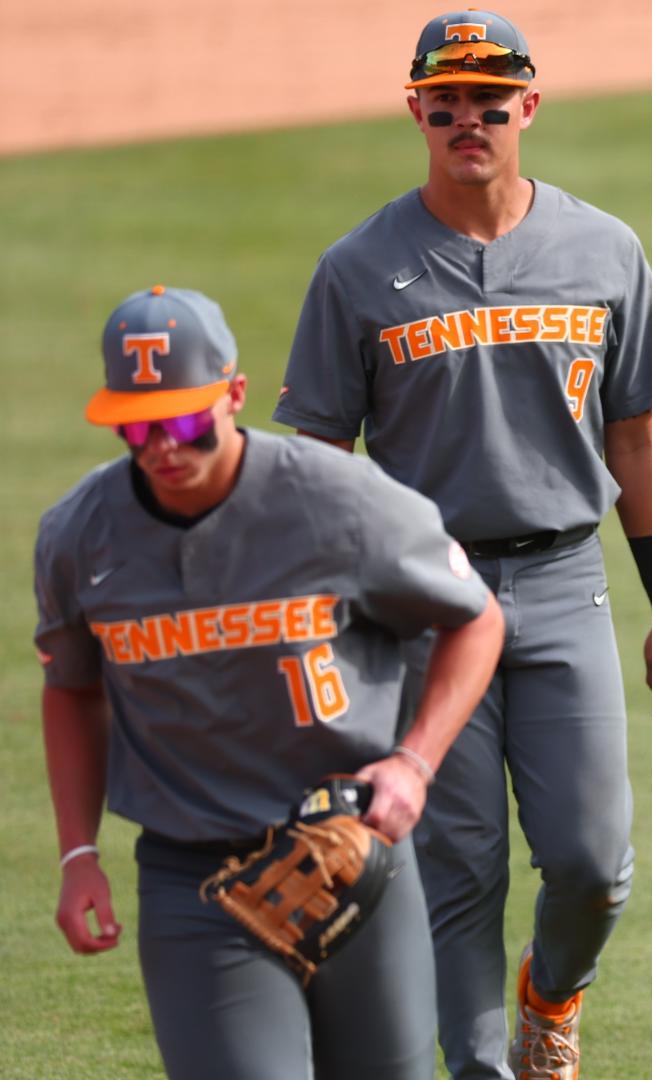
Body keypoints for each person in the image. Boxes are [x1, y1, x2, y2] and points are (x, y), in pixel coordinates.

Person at [270, 11, 652, 1078]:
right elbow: (316, 458)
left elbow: (638, 436)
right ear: (416, 109)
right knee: (458, 865)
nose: (470, 122)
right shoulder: (358, 268)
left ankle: (550, 995)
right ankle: (482, 1069)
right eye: (446, 104)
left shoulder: (604, 249)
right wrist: (324, 624)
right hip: (422, 602)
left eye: (491, 105)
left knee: (593, 861)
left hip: (563, 582)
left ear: (528, 110)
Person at [37, 285, 504, 1079]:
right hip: (196, 881)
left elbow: (476, 618)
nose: (162, 447)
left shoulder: (338, 502)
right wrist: (78, 852)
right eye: (136, 425)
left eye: (184, 419)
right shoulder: (81, 533)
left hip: (355, 850)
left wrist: (414, 763)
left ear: (235, 394)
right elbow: (72, 690)